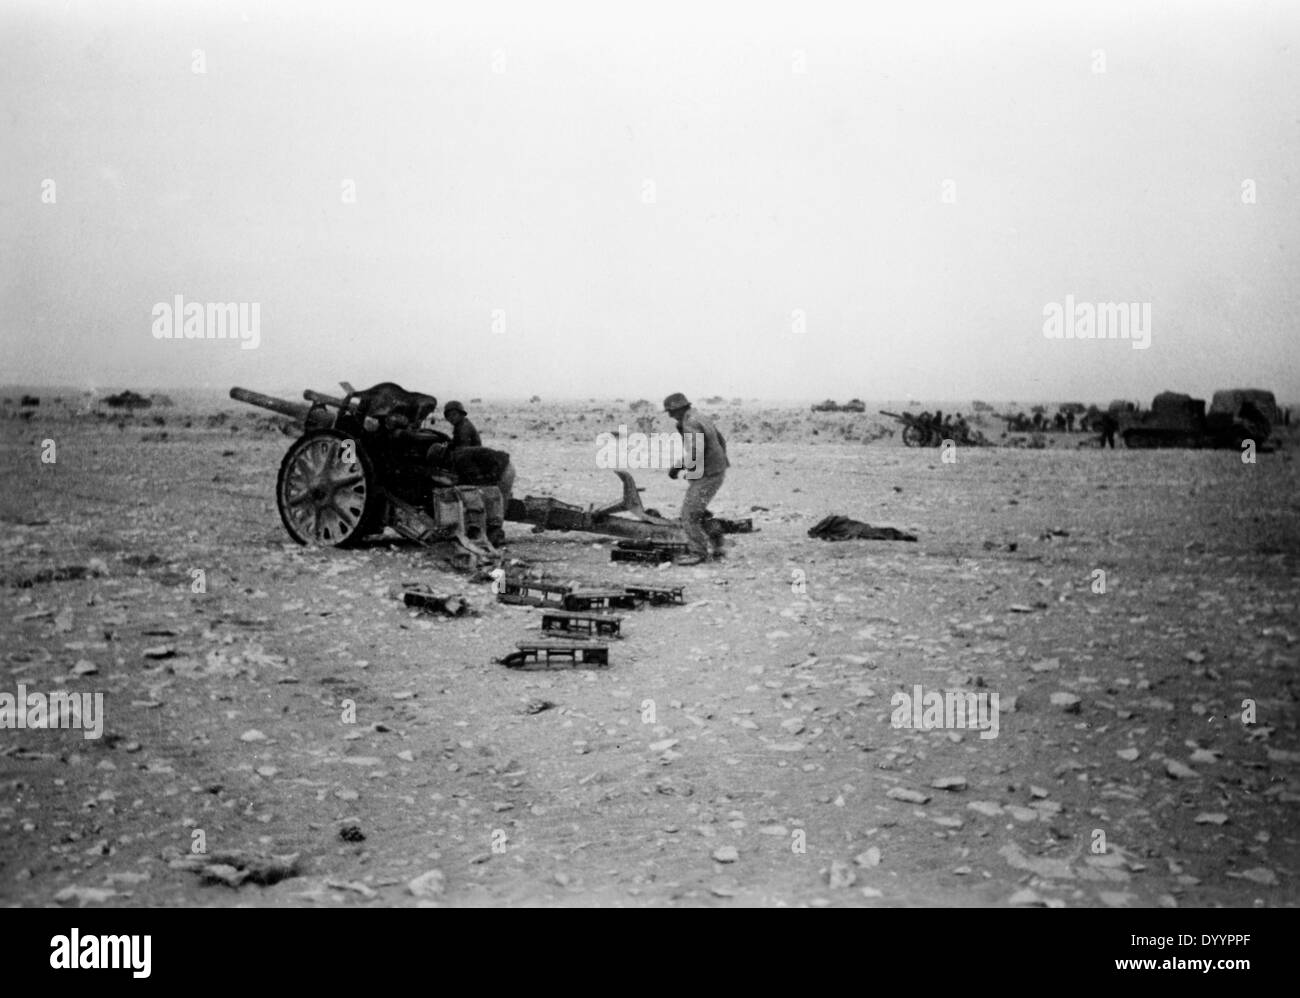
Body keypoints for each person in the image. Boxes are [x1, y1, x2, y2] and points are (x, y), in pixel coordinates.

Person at [663, 392, 729, 564]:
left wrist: (677, 467)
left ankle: (698, 552)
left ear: (679, 408)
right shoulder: (699, 417)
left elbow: (695, 452)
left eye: (671, 411)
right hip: (712, 471)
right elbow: (721, 442)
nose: (669, 415)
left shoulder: (691, 422)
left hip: (708, 474)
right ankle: (718, 545)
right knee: (698, 511)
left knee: (689, 515)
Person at [427, 442, 515, 546]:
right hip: (498, 467)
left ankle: (496, 536)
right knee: (490, 500)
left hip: (504, 469)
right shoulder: (456, 456)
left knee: (496, 503)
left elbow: (475, 480)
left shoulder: (460, 458)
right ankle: (490, 534)